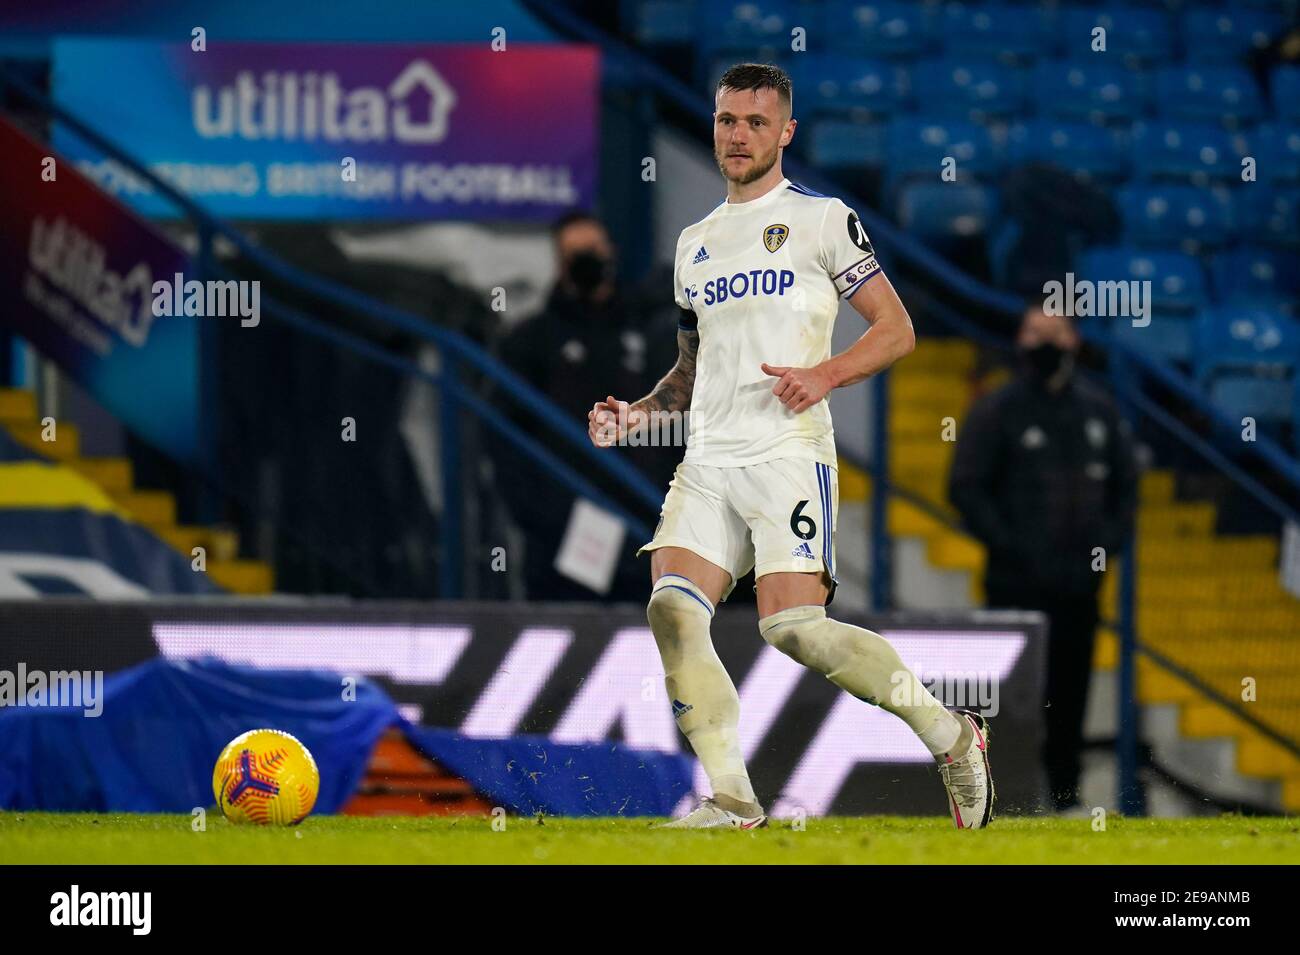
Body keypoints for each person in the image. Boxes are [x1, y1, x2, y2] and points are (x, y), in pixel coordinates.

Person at [587, 63, 994, 829]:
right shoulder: (695, 242)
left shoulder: (821, 219)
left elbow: (896, 328)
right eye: (726, 121)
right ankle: (734, 798)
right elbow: (690, 367)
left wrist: (826, 373)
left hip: (787, 452)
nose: (737, 136)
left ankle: (950, 734)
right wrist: (639, 412)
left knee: (792, 629)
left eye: (754, 123)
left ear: (785, 133)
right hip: (707, 456)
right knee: (672, 611)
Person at [949, 304, 1138, 812]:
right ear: (1019, 341)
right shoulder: (996, 411)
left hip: (1080, 587)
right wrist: (1011, 548)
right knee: (1008, 696)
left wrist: (1102, 551)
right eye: (1034, 333)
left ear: (1075, 341)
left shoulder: (1099, 412)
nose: (1044, 343)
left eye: (1054, 333)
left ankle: (1065, 796)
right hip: (1014, 587)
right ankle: (1002, 792)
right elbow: (965, 486)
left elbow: (1126, 493)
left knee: (1071, 689)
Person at [498, 212, 678, 601]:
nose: (588, 262)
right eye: (575, 254)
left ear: (611, 253)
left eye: (594, 251)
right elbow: (505, 442)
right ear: (558, 264)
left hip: (646, 524)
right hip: (563, 538)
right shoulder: (530, 342)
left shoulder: (650, 332)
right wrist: (543, 518)